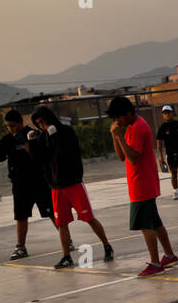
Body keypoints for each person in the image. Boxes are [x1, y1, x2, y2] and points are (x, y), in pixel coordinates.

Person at [27, 106, 114, 270]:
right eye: (38, 123)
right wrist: (32, 142)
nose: (41, 126)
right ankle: (66, 256)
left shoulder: (65, 132)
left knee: (89, 218)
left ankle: (107, 245)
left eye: (42, 121)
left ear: (49, 118)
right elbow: (38, 160)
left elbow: (68, 153)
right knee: (62, 223)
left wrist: (55, 136)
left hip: (73, 183)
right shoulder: (42, 137)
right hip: (56, 186)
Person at [107, 95, 178, 278]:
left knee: (145, 224)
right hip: (140, 181)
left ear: (129, 113)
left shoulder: (138, 128)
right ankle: (169, 255)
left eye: (119, 117)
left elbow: (133, 157)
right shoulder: (131, 126)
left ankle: (155, 263)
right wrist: (115, 137)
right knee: (155, 221)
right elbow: (122, 156)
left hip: (142, 182)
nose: (118, 121)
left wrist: (119, 136)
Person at [0, 110, 55, 260]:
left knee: (51, 212)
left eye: (13, 125)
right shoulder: (8, 139)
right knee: (21, 215)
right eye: (8, 126)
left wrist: (23, 140)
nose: (11, 129)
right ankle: (21, 247)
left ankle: (67, 240)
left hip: (39, 181)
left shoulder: (33, 134)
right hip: (20, 183)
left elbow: (37, 155)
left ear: (21, 124)